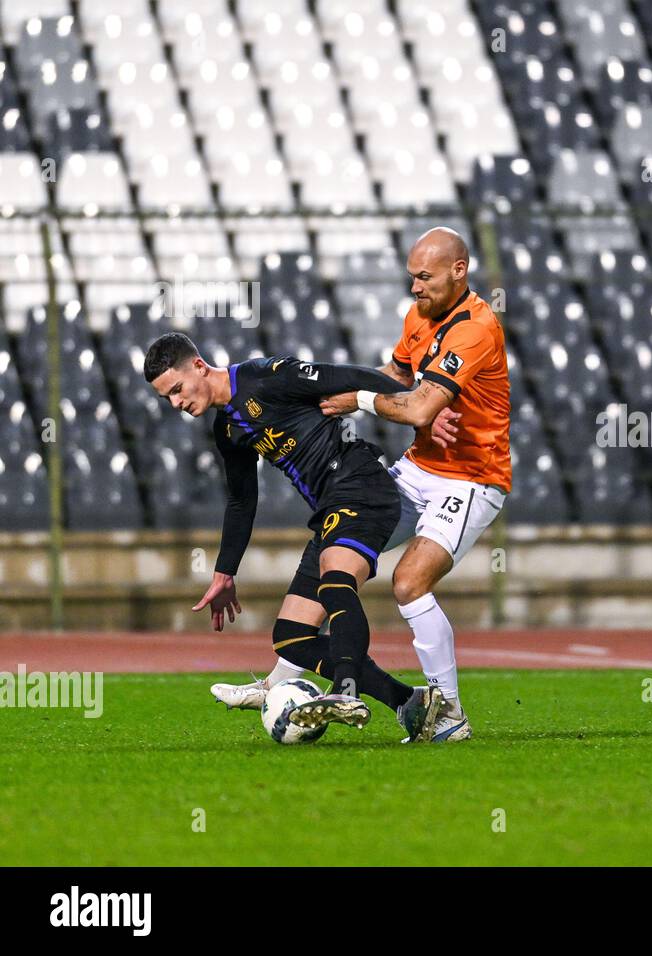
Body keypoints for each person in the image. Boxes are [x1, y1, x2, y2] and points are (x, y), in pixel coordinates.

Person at [144, 332, 440, 741]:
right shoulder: (228, 428)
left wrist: (426, 412)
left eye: (176, 390)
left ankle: (345, 691)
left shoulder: (267, 377)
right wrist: (224, 573)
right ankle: (412, 703)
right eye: (167, 399)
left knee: (337, 581)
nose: (177, 403)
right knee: (293, 637)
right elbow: (241, 502)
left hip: (361, 485)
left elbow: (350, 375)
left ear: (198, 366)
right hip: (330, 509)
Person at [320, 226, 511, 743]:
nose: (414, 288)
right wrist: (344, 390)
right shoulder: (420, 316)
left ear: (459, 271)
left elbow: (422, 403)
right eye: (411, 278)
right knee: (338, 552)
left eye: (424, 277)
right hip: (419, 468)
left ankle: (448, 714)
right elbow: (399, 380)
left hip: (471, 478)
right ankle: (289, 681)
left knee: (408, 582)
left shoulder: (475, 327)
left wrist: (360, 401)